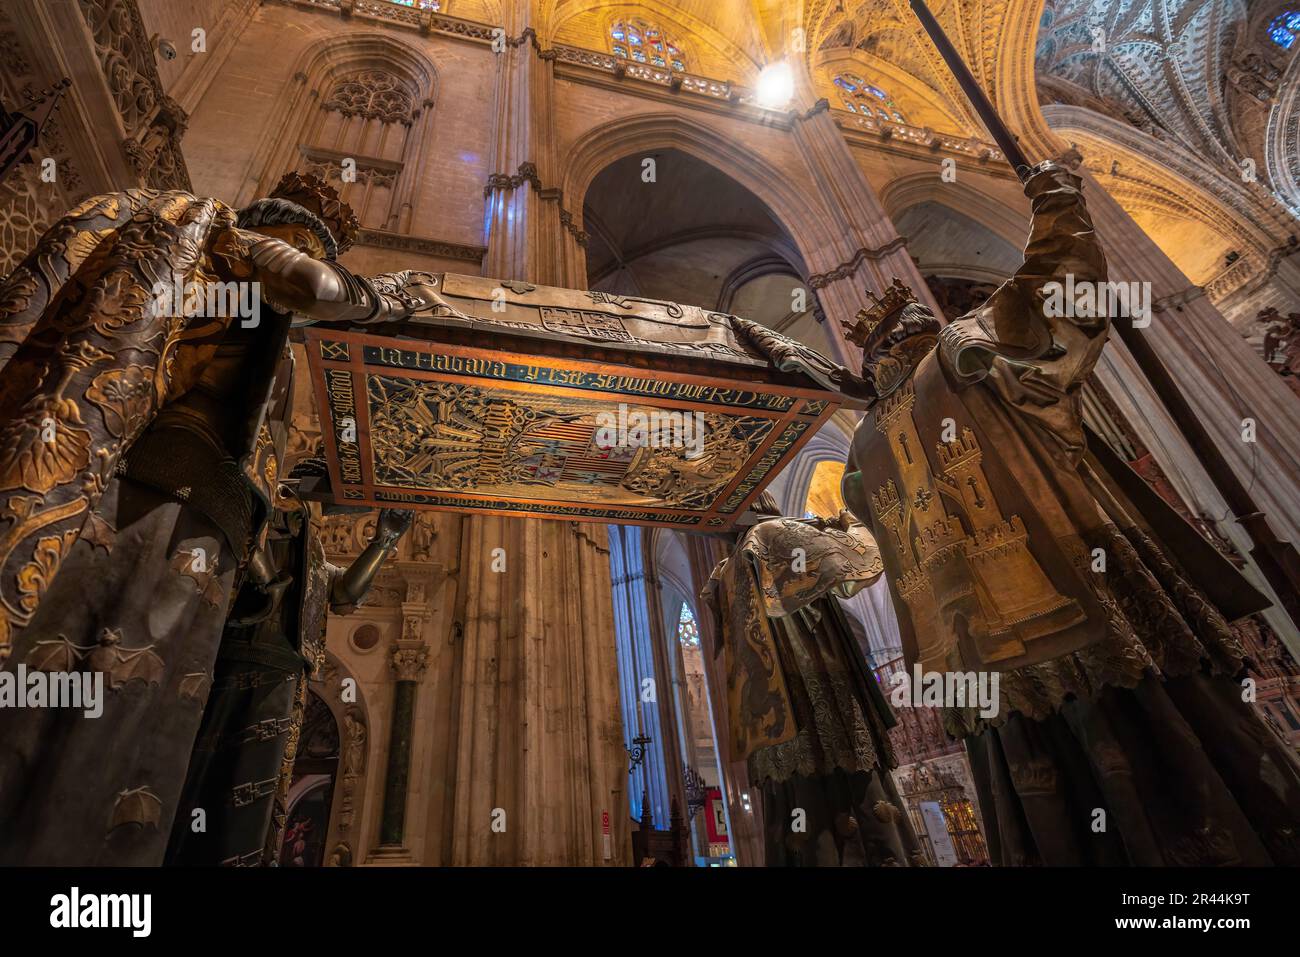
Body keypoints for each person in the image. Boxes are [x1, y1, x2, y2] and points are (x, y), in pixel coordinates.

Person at [841, 160, 1300, 865]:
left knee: (1041, 804)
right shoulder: (967, 344)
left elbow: (859, 533)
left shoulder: (862, 449)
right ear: (917, 328)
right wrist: (1056, 196)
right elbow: (1062, 283)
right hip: (1081, 606)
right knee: (1178, 779)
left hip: (982, 668)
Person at [0, 172, 435, 864]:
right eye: (311, 246)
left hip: (211, 538)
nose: (319, 262)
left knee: (146, 751)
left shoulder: (264, 340)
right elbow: (319, 289)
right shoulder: (228, 246)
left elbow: (314, 565)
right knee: (90, 719)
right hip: (160, 506)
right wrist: (403, 298)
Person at [702, 493, 921, 866]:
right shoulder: (771, 535)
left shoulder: (724, 572)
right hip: (820, 692)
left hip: (771, 719)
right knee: (858, 805)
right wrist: (850, 521)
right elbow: (864, 552)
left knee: (797, 817)